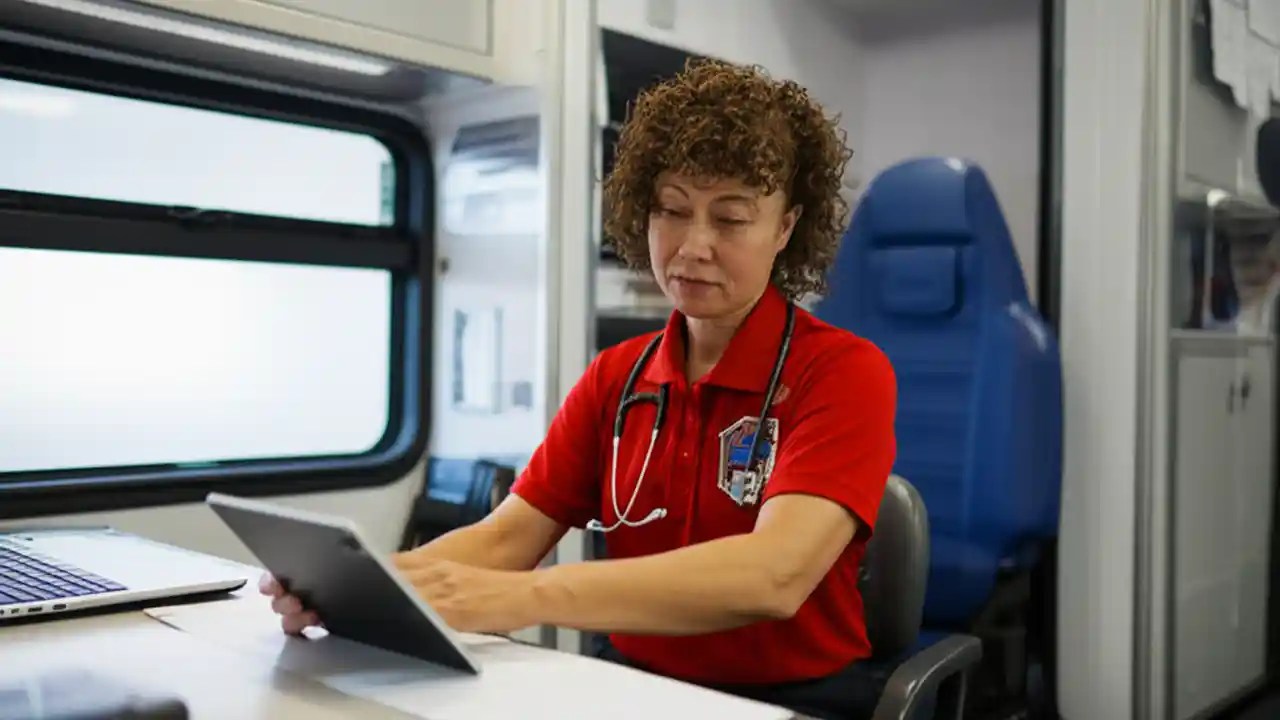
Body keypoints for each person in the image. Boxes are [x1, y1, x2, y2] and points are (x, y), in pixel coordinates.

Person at [261, 59, 897, 720]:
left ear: (786, 227)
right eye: (672, 210)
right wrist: (369, 586)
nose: (693, 245)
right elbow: (508, 538)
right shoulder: (617, 378)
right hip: (634, 686)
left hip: (796, 700)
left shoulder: (844, 371)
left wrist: (521, 599)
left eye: (731, 219)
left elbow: (776, 575)